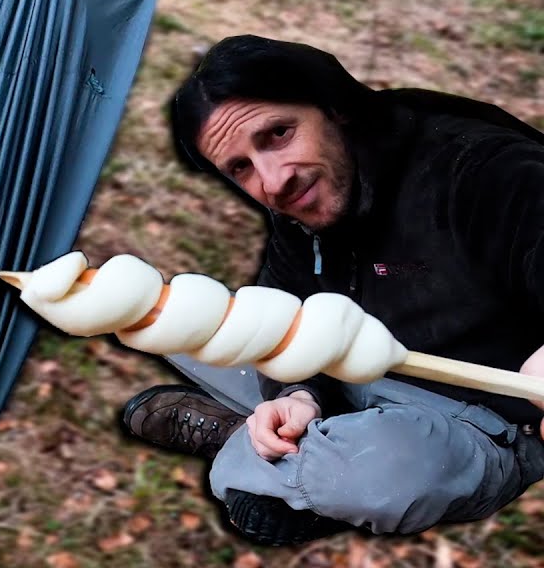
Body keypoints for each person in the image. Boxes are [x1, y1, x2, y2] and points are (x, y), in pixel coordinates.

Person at [28, 35, 544, 545]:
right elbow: (286, 314)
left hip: (477, 422)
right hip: (351, 372)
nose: (272, 182)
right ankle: (301, 442)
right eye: (241, 168)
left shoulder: (482, 171)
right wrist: (297, 396)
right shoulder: (303, 197)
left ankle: (240, 445)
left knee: (388, 473)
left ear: (334, 106)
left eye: (278, 134)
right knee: (177, 325)